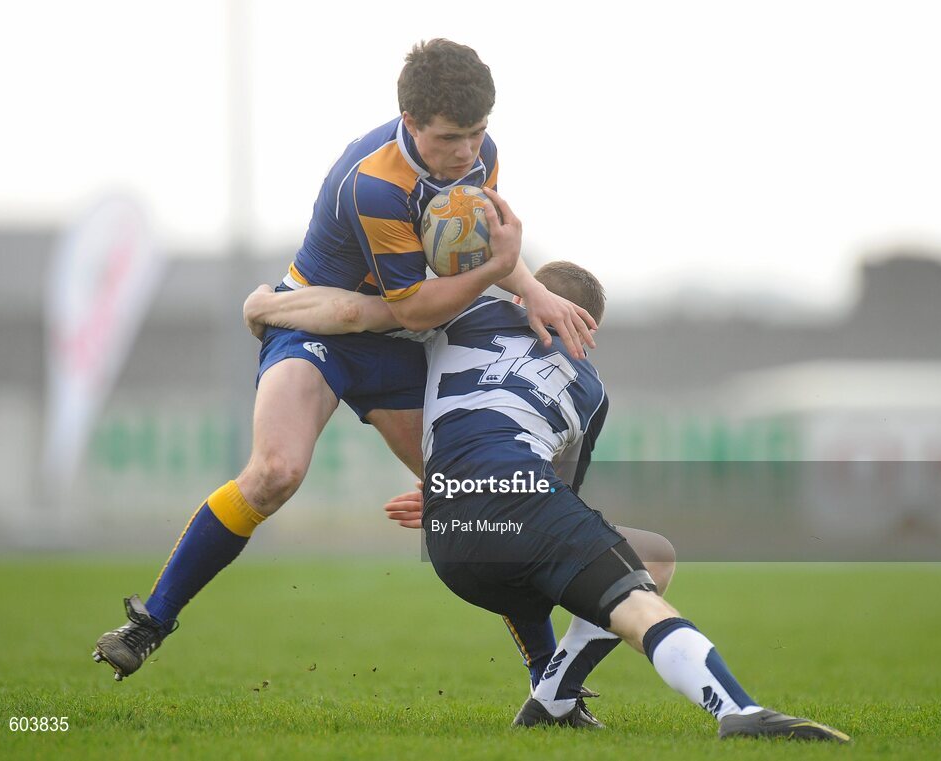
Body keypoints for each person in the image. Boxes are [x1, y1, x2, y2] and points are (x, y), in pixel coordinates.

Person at [92, 39, 596, 681]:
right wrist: (508, 275)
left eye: (478, 134)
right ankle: (149, 623)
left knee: (476, 496)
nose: (468, 153)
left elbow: (473, 261)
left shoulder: (480, 155)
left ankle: (552, 688)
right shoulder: (376, 184)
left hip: (388, 336)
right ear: (410, 122)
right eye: (450, 138)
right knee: (276, 471)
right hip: (318, 333)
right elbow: (417, 307)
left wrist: (531, 288)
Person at [243, 262, 850, 742]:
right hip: (519, 504)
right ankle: (737, 709)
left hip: (451, 543)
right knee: (638, 584)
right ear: (579, 321)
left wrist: (269, 305)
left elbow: (354, 313)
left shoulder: (463, 317)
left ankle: (552, 698)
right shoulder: (591, 387)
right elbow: (553, 498)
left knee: (631, 554)